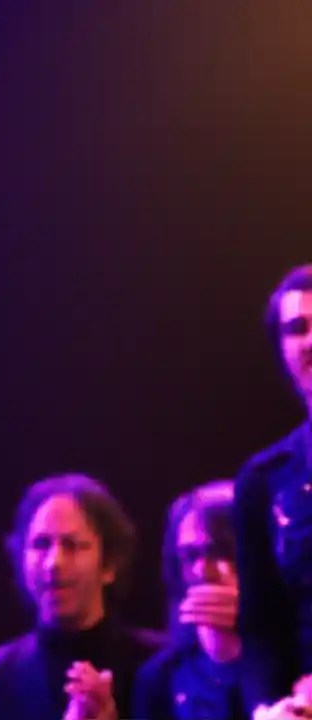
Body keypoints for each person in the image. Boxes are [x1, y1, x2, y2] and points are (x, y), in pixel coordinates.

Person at [0, 473, 160, 720]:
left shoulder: (158, 667)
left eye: (72, 544)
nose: (53, 563)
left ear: (109, 564)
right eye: (41, 544)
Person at [234, 263, 312, 717]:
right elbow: (261, 625)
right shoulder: (264, 480)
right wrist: (266, 708)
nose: (310, 341)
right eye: (296, 329)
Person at [133, 480, 244, 720]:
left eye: (221, 551)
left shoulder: (292, 660)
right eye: (191, 555)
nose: (203, 570)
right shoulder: (159, 677)